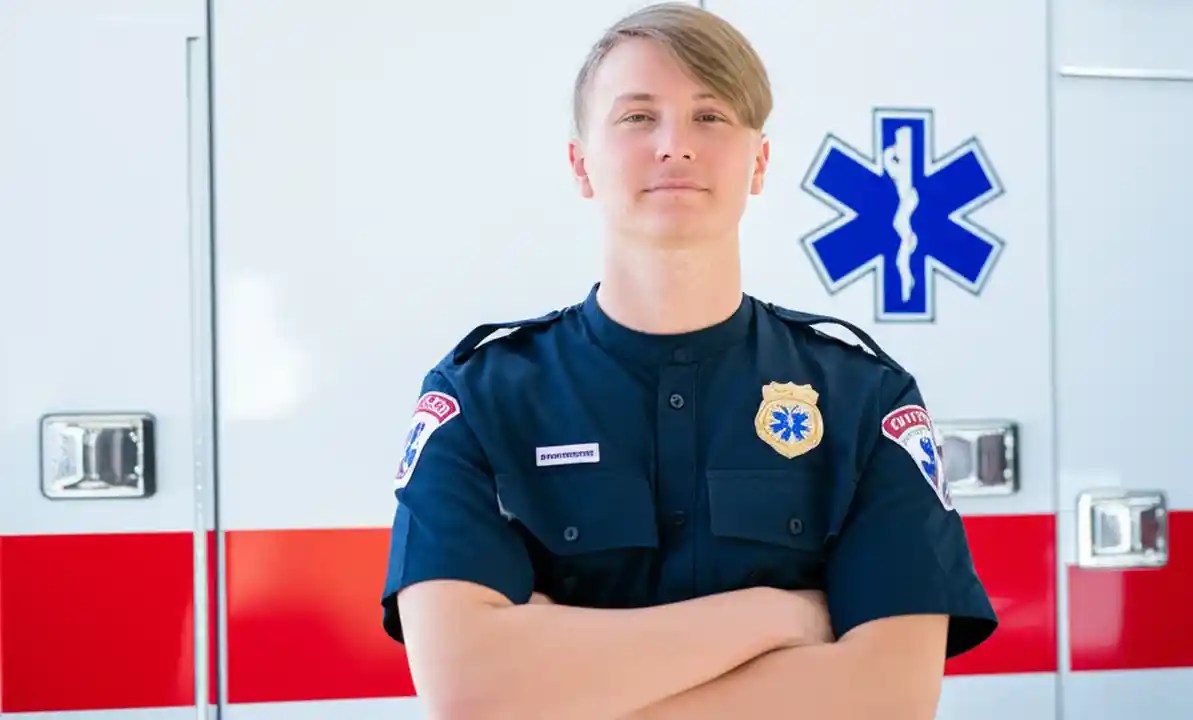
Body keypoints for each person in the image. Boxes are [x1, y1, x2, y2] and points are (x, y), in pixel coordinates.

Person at [380, 3, 997, 718]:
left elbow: (889, 699)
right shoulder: (482, 401)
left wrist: (564, 683)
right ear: (582, 165)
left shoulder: (864, 401)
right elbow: (472, 694)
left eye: (710, 116)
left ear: (759, 161)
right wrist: (781, 616)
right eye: (638, 117)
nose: (675, 145)